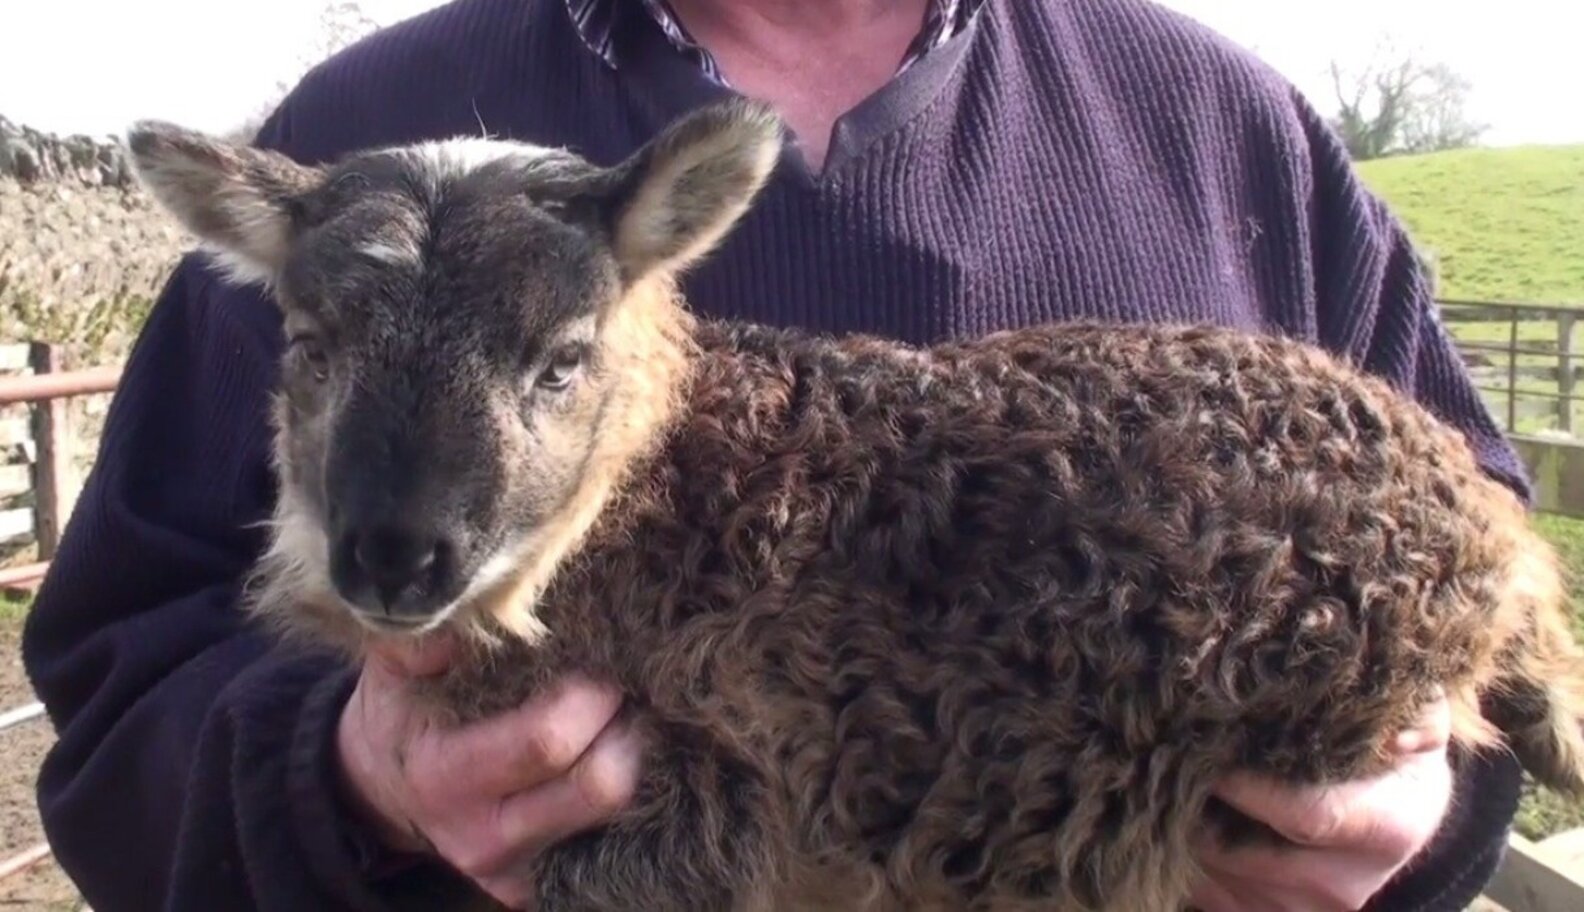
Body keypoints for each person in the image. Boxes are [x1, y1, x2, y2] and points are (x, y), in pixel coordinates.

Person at [22, 1, 1530, 910]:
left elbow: (1499, 612)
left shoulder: (1226, 125)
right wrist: (344, 781)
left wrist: (1414, 818)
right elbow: (115, 702)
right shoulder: (361, 150)